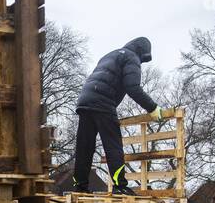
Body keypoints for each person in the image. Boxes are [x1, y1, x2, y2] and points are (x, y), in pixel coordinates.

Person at [70, 36, 164, 194]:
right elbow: (132, 87)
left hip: (86, 100)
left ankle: (80, 187)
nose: (141, 62)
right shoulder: (131, 57)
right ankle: (119, 186)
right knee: (113, 145)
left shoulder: (110, 55)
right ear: (141, 51)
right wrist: (153, 108)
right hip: (103, 101)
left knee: (84, 146)